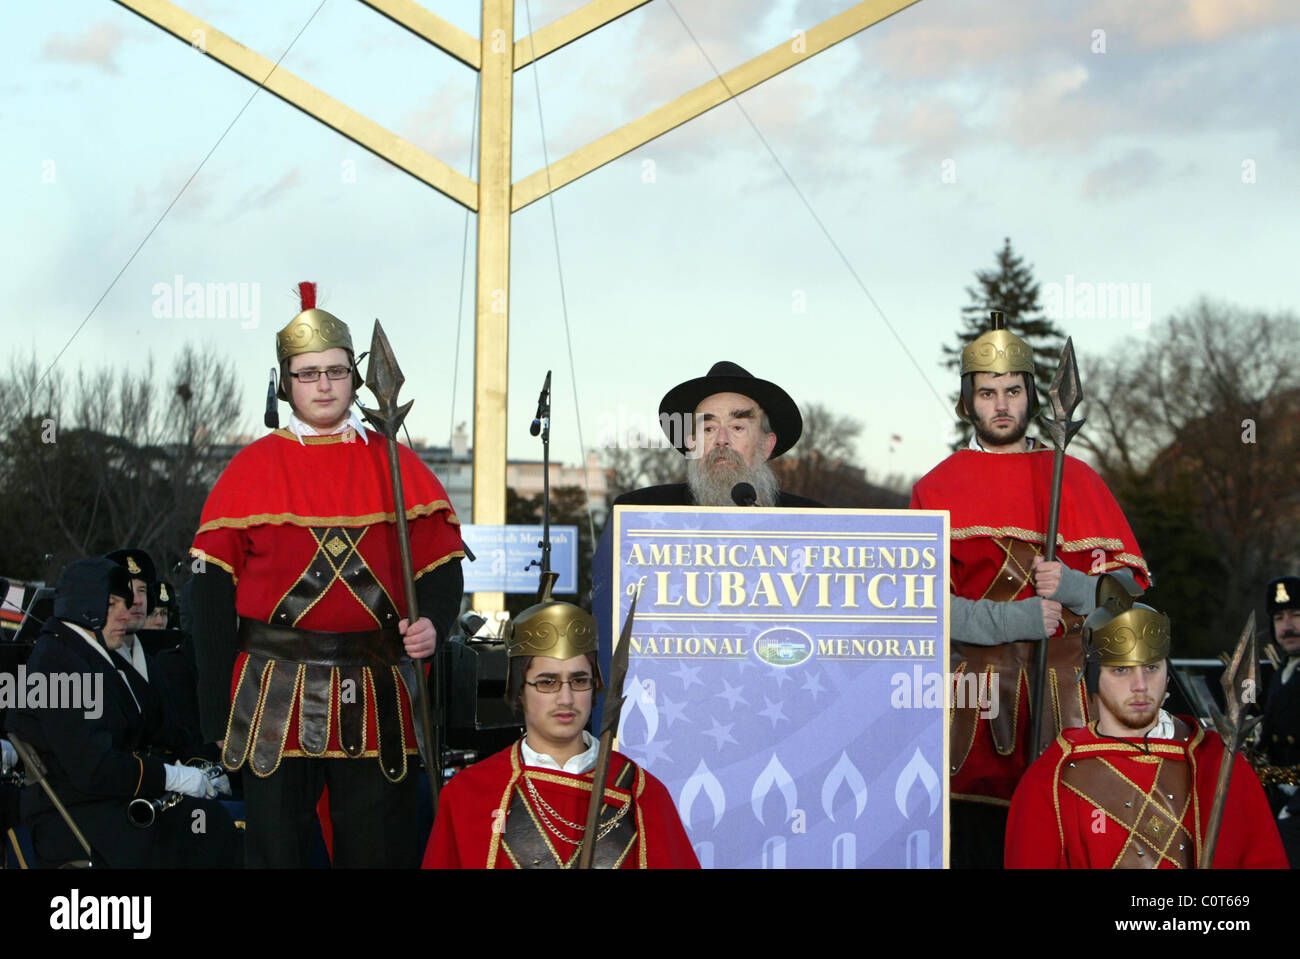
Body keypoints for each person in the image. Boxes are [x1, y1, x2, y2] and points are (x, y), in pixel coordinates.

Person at [190, 281, 465, 868]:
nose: (322, 385)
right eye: (308, 373)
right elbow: (208, 598)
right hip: (272, 693)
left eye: (335, 372)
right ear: (286, 383)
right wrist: (214, 711)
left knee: (379, 851)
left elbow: (440, 570)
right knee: (279, 853)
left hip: (377, 689)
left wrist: (433, 624)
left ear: (354, 379)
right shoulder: (251, 468)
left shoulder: (396, 464)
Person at [910, 311, 1150, 867]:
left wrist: (1073, 585)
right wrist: (1013, 620)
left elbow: (1125, 604)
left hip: (1066, 699)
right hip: (971, 703)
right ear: (967, 402)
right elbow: (926, 607)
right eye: (987, 392)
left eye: (1013, 391)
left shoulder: (1076, 477)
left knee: (1061, 839)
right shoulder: (937, 486)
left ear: (1030, 396)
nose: (1001, 405)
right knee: (974, 843)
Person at [1005, 578, 1287, 868]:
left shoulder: (1217, 761)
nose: (1140, 685)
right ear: (1093, 679)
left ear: (1167, 675)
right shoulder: (1053, 776)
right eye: (1121, 670)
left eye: (1151, 668)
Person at [424, 580, 699, 868]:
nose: (565, 698)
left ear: (595, 687)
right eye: (547, 682)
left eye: (579, 681)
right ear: (520, 690)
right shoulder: (468, 795)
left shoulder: (641, 795)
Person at [7, 558, 240, 868]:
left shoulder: (89, 652)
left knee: (213, 824)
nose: (126, 611)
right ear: (83, 603)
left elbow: (151, 727)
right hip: (75, 815)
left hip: (108, 803)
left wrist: (198, 763)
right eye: (112, 602)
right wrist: (171, 776)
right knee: (207, 830)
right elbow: (94, 767)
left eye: (126, 602)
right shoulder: (56, 663)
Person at [611, 361, 821, 509]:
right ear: (692, 444)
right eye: (709, 429)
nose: (722, 440)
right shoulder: (642, 512)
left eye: (737, 427)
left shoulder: (812, 524)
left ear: (766, 445)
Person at [1257, 575, 1300, 866]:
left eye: (1297, 615)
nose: (1288, 626)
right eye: (1279, 617)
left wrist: (1293, 810)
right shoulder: (1284, 671)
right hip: (1279, 796)